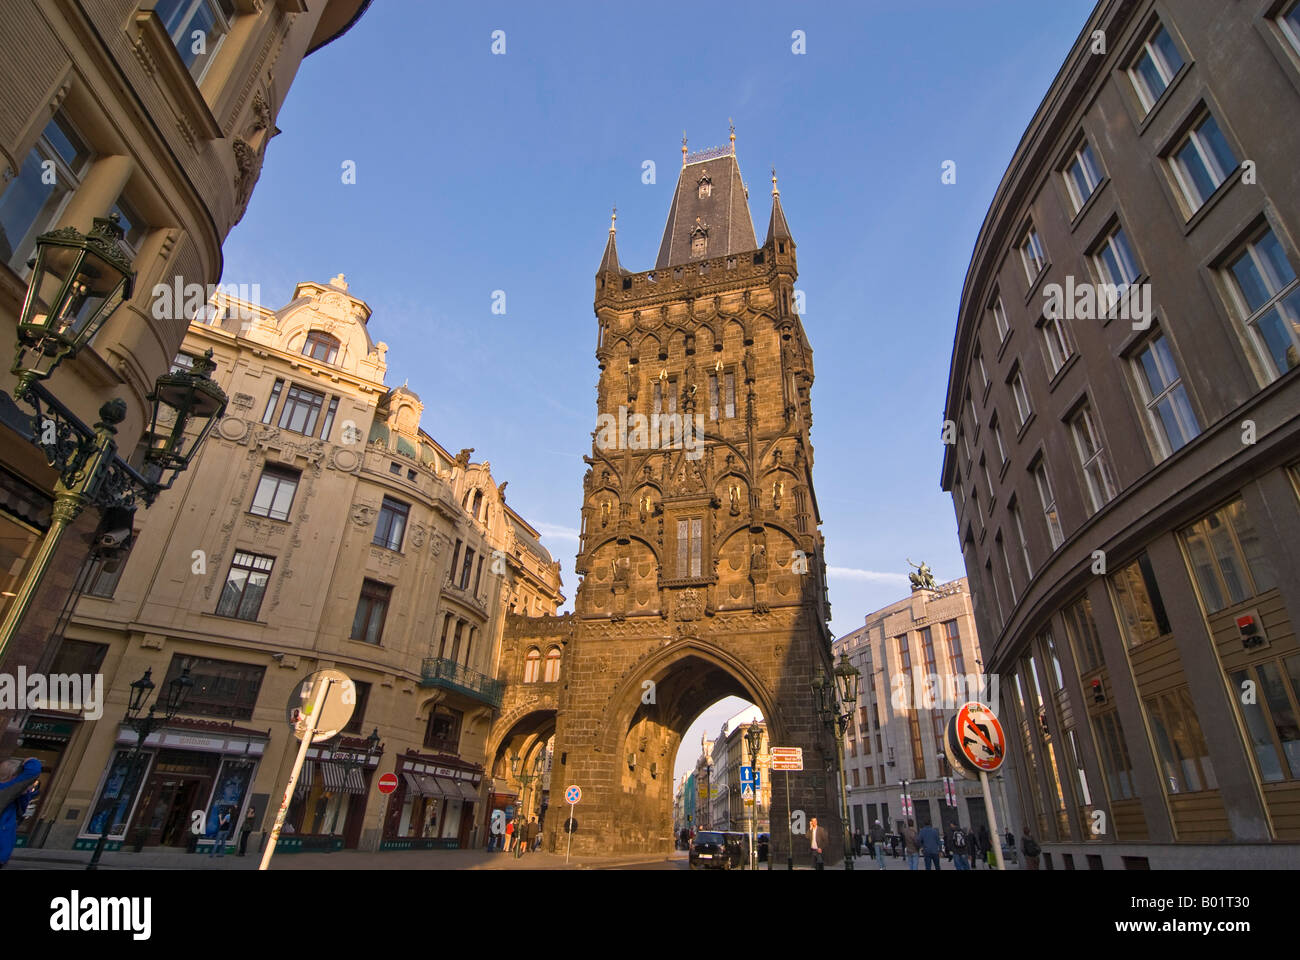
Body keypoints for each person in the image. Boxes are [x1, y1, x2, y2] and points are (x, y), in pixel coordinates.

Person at [0, 757, 41, 869]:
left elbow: (21, 808)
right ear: (13, 777)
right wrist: (30, 760)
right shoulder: (5, 791)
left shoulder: (10, 796)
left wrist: (25, 793)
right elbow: (33, 771)